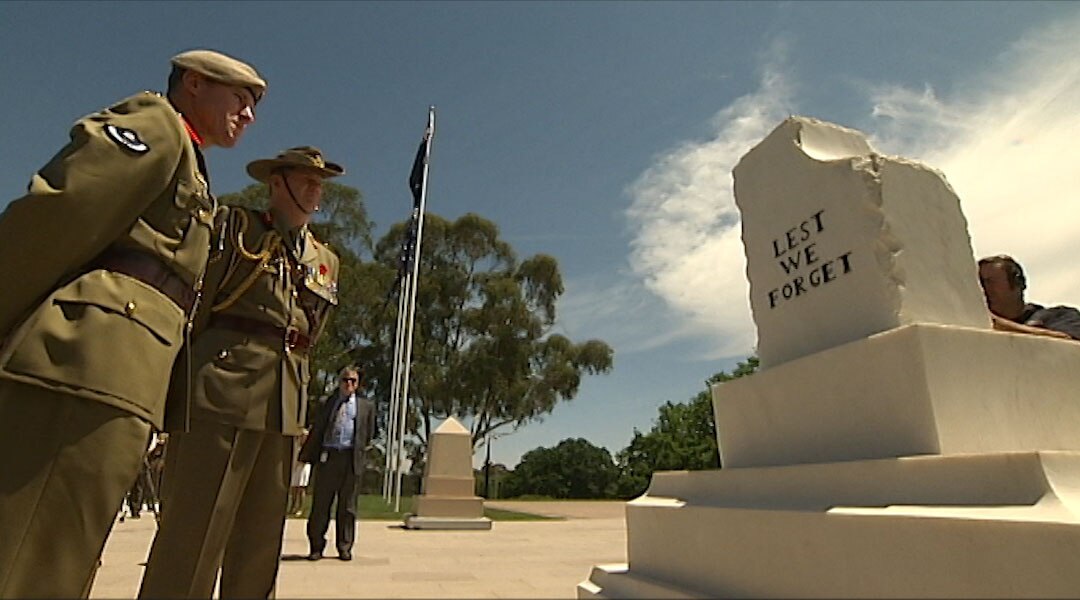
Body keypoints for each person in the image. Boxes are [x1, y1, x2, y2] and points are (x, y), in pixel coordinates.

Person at [0, 49, 265, 598]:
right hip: (80, 367)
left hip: (121, 380)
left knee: (63, 554)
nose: (248, 116)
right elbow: (59, 215)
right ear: (194, 83)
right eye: (239, 99)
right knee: (33, 557)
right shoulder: (158, 126)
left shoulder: (191, 159)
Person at [139, 146, 343, 598]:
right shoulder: (236, 229)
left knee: (261, 542)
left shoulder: (325, 261)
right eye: (306, 180)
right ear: (276, 182)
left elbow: (310, 336)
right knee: (193, 533)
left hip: (284, 402)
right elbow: (198, 307)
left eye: (320, 183)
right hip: (221, 391)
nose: (316, 190)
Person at [300, 366, 377, 561]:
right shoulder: (327, 403)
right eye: (345, 380)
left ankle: (345, 546)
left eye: (353, 381)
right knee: (321, 505)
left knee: (348, 507)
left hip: (351, 458)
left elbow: (368, 433)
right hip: (329, 456)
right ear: (339, 381)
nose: (349, 384)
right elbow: (318, 428)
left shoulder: (365, 406)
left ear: (358, 384)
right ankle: (316, 546)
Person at [978, 255, 1080, 341]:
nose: (983, 288)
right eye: (980, 283)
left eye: (990, 281)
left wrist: (997, 324)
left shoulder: (1059, 316)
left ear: (1018, 283)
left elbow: (1067, 342)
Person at [288, 428, 313, 516]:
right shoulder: (296, 445)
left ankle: (300, 508)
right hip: (295, 467)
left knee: (301, 488)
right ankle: (293, 506)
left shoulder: (308, 446)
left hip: (303, 467)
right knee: (294, 488)